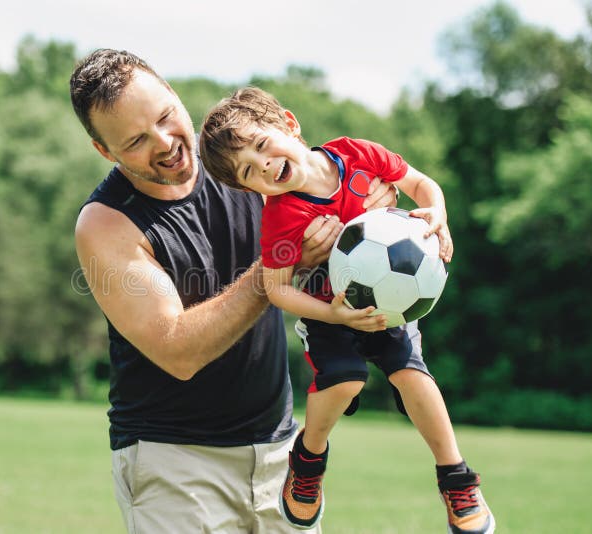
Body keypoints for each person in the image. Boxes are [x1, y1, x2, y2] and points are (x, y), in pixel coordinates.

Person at [69, 49, 398, 533]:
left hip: (282, 455)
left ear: (177, 97)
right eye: (137, 140)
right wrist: (275, 270)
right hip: (175, 463)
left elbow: (329, 189)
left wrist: (370, 204)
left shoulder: (247, 165)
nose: (165, 143)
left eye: (166, 117)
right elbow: (177, 350)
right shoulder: (106, 224)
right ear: (106, 151)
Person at [199, 86, 495, 533]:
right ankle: (307, 460)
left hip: (390, 304)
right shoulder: (282, 218)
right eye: (249, 171)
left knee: (413, 375)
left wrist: (437, 213)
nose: (263, 164)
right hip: (328, 310)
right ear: (249, 189)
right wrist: (335, 315)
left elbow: (419, 183)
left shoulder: (356, 154)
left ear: (289, 123)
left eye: (262, 145)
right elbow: (276, 289)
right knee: (346, 379)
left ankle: (456, 477)